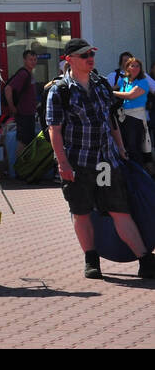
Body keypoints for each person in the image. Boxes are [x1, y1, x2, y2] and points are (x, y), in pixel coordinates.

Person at [46, 39, 155, 280]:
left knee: (119, 209)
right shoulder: (60, 90)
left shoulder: (102, 84)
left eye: (91, 54)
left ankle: (145, 260)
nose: (89, 58)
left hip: (106, 161)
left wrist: (121, 147)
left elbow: (111, 118)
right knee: (81, 212)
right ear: (69, 60)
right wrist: (62, 162)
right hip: (77, 162)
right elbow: (54, 128)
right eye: (84, 55)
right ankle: (91, 260)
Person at [3, 50, 40, 178]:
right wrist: (12, 106)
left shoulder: (30, 74)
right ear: (25, 60)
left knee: (27, 140)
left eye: (35, 59)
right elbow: (8, 89)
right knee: (22, 141)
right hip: (23, 113)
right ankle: (20, 170)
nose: (33, 62)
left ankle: (24, 168)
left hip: (29, 113)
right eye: (31, 59)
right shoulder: (23, 74)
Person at [113, 57, 155, 166]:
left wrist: (112, 92)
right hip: (124, 117)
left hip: (136, 118)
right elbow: (112, 87)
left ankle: (139, 174)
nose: (135, 68)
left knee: (135, 148)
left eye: (138, 66)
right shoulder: (124, 80)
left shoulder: (143, 82)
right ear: (127, 68)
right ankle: (129, 174)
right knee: (126, 146)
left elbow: (130, 95)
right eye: (132, 65)